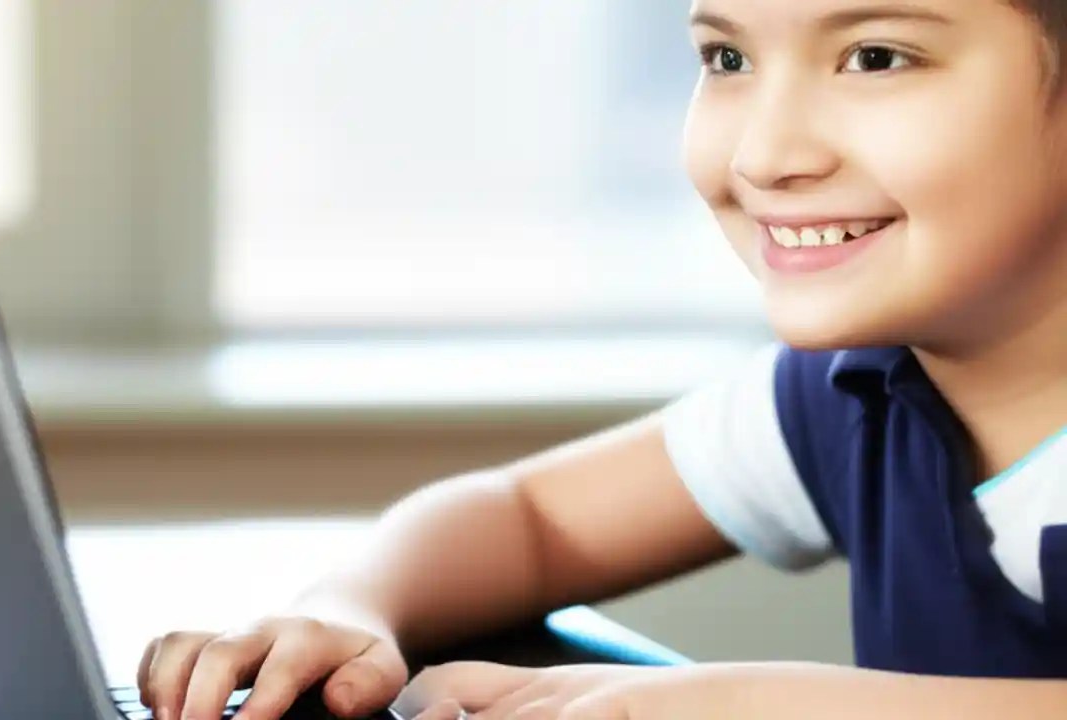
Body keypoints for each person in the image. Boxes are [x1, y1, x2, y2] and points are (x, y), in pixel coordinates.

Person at [138, 0, 1067, 717]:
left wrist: (729, 701)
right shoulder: (852, 389)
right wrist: (351, 609)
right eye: (727, 57)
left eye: (875, 57)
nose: (765, 153)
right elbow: (532, 517)